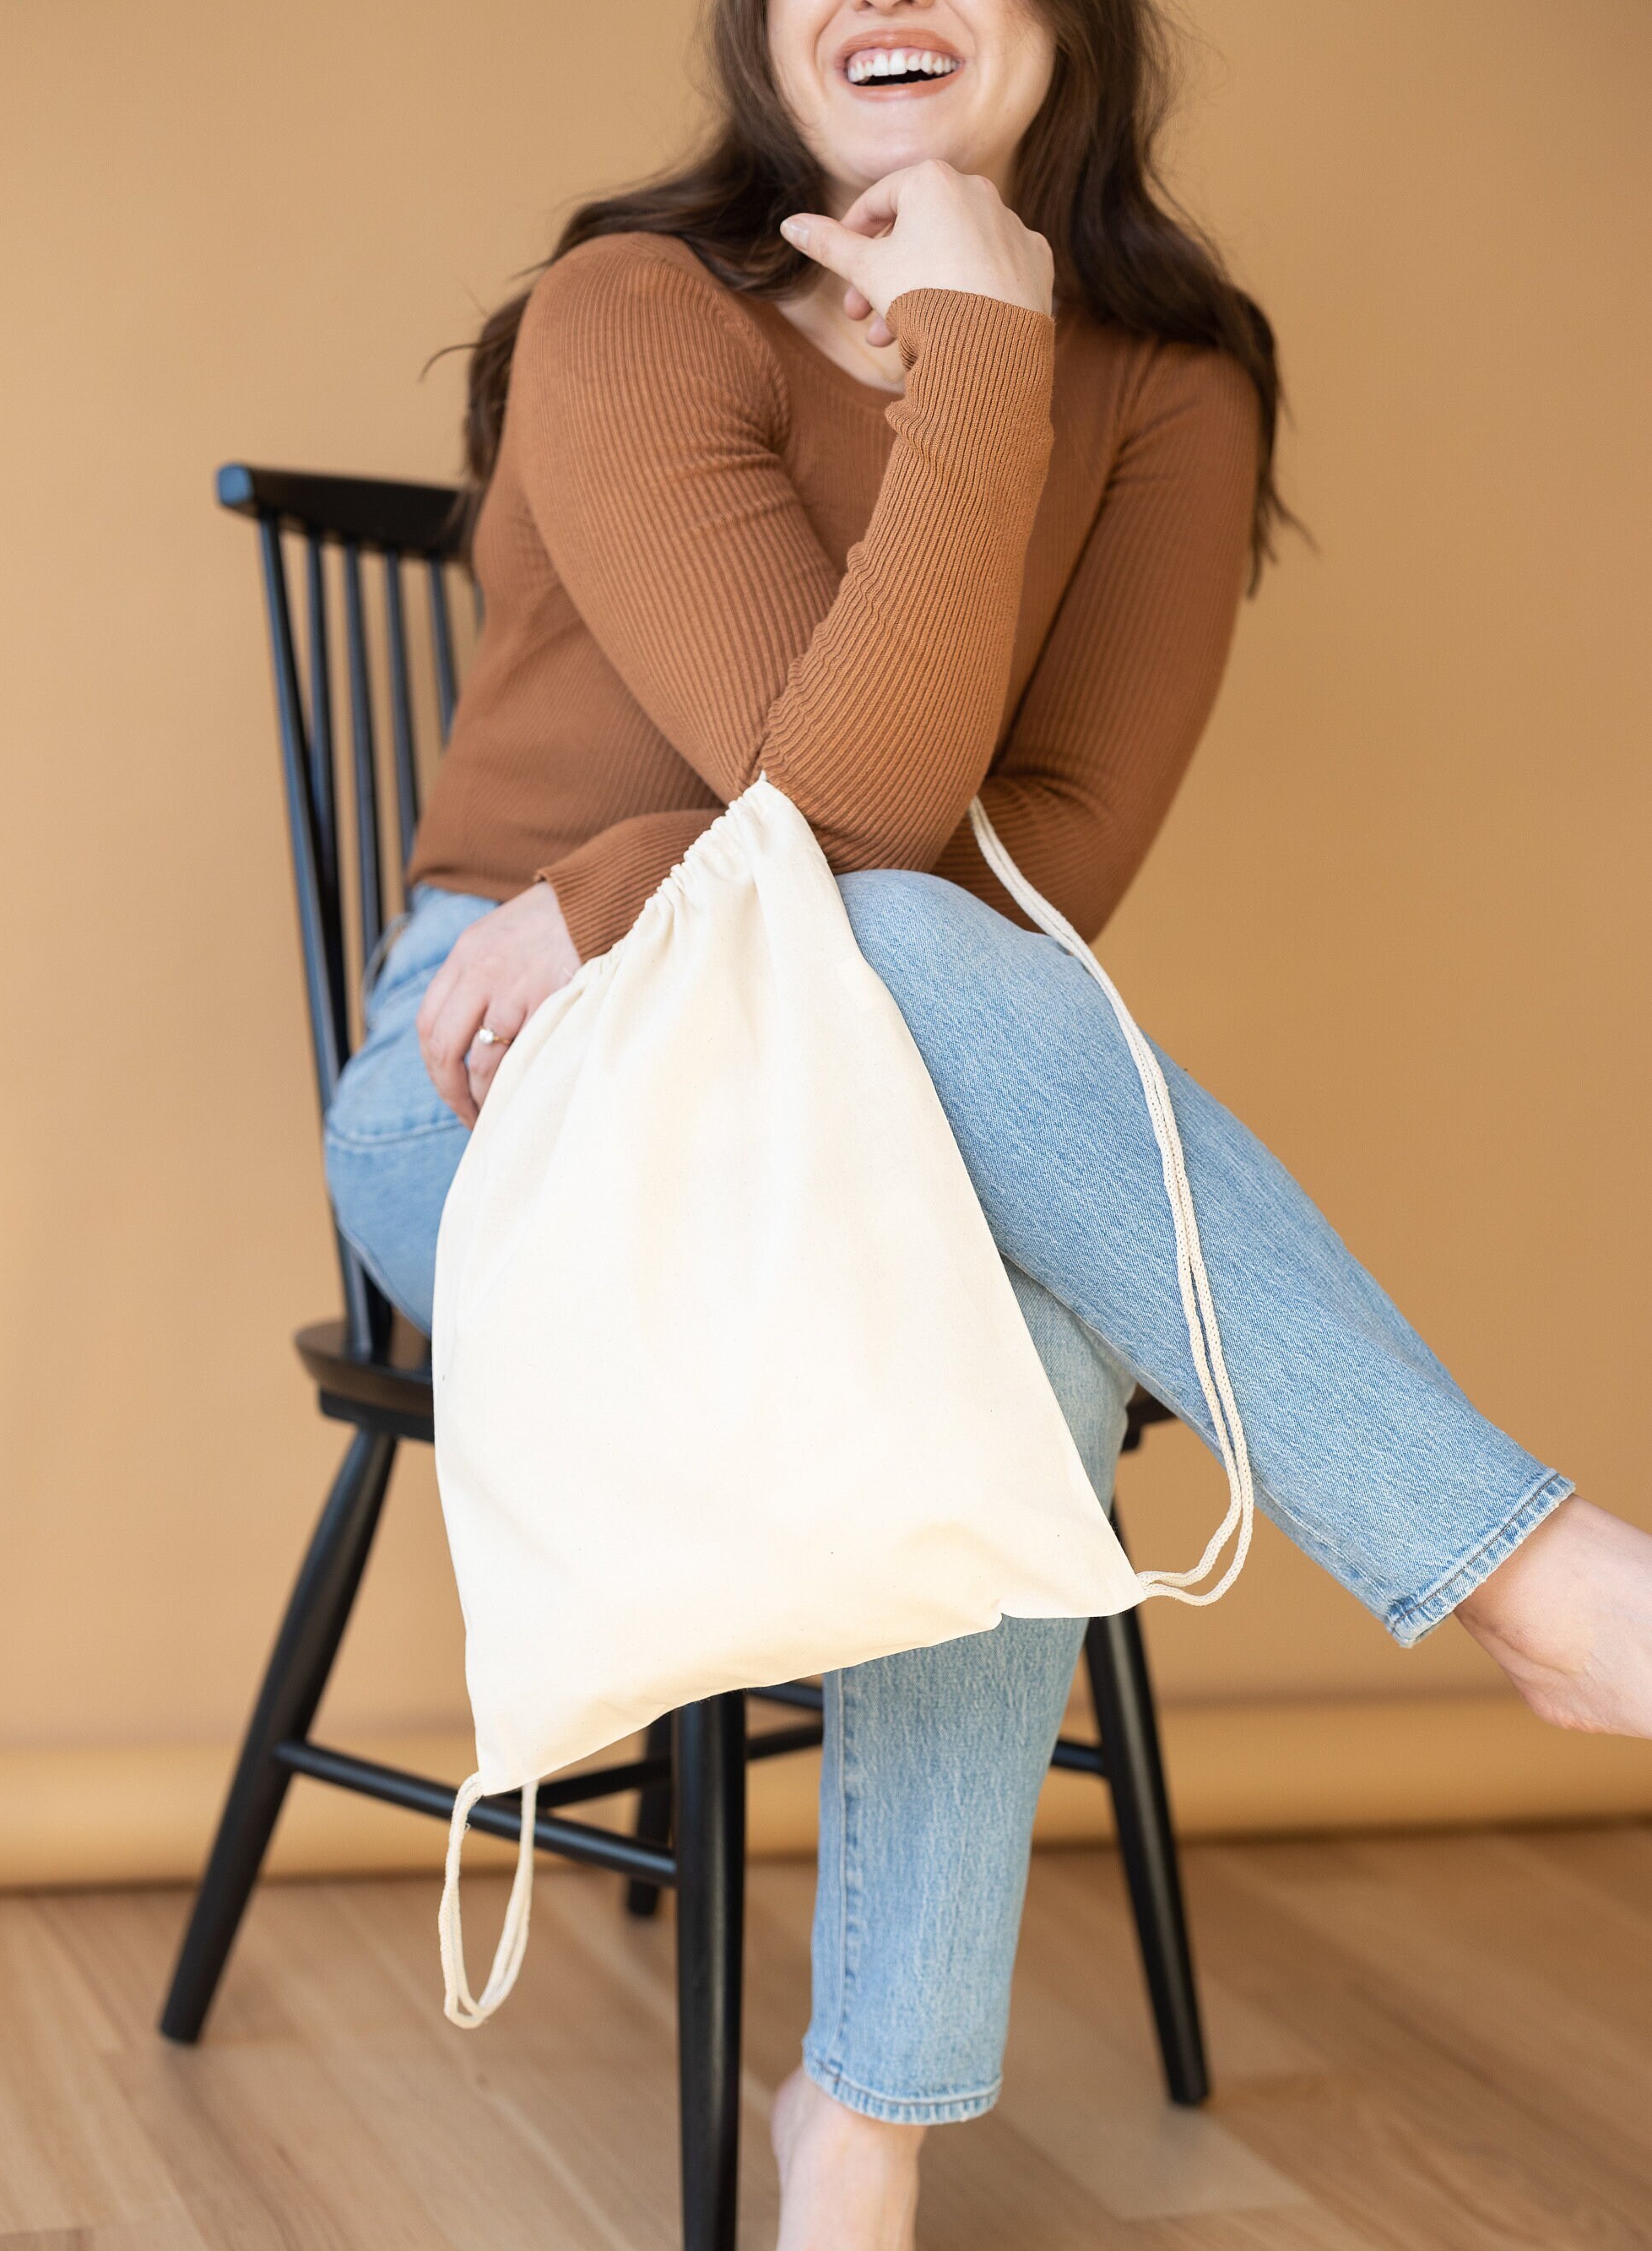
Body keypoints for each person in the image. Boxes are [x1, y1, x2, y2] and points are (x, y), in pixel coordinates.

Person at [323, 3, 1652, 2243]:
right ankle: (1541, 1577)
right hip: (504, 1074)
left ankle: (861, 2129)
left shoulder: (1173, 384)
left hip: (903, 1065)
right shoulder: (630, 311)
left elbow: (1040, 864)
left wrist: (1008, 338)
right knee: (932, 1002)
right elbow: (846, 812)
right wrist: (974, 350)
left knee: (1003, 1279)